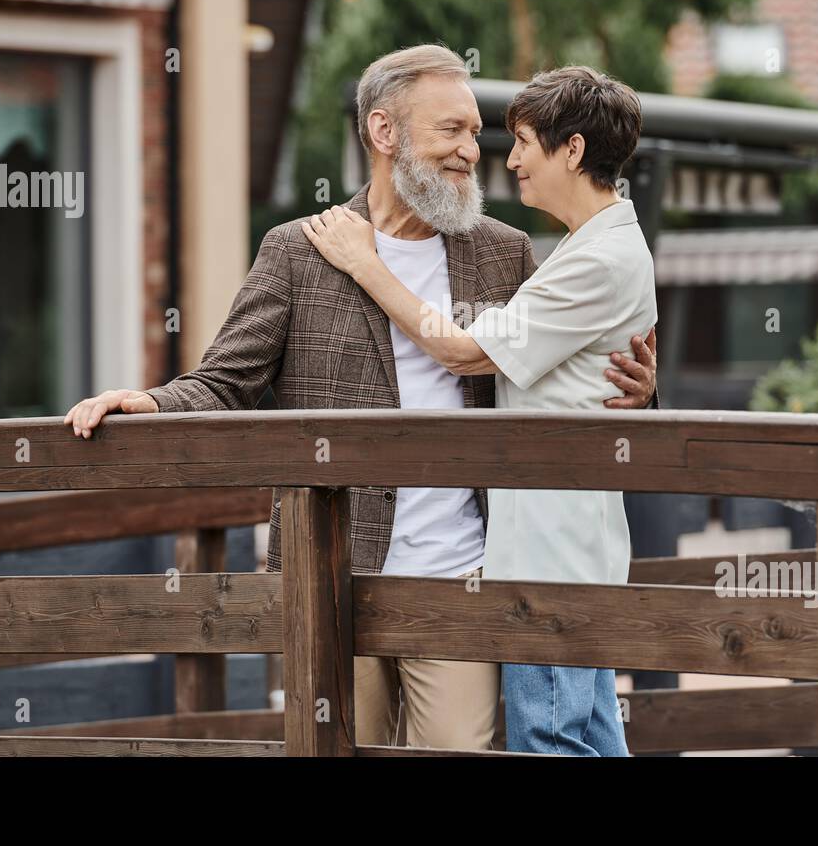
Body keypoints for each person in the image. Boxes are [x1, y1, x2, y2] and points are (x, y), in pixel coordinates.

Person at [62, 45, 657, 752]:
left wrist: (641, 395)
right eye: (452, 132)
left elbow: (565, 368)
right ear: (384, 133)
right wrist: (153, 403)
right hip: (334, 572)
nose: (475, 151)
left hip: (466, 573)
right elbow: (227, 381)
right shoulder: (297, 251)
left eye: (477, 133)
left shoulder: (505, 252)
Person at [302, 64, 655, 756]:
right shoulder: (586, 248)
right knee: (587, 737)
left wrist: (366, 263)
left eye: (523, 142)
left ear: (573, 151)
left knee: (552, 740)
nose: (509, 159)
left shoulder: (593, 260)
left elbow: (464, 353)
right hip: (555, 552)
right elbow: (584, 367)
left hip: (549, 559)